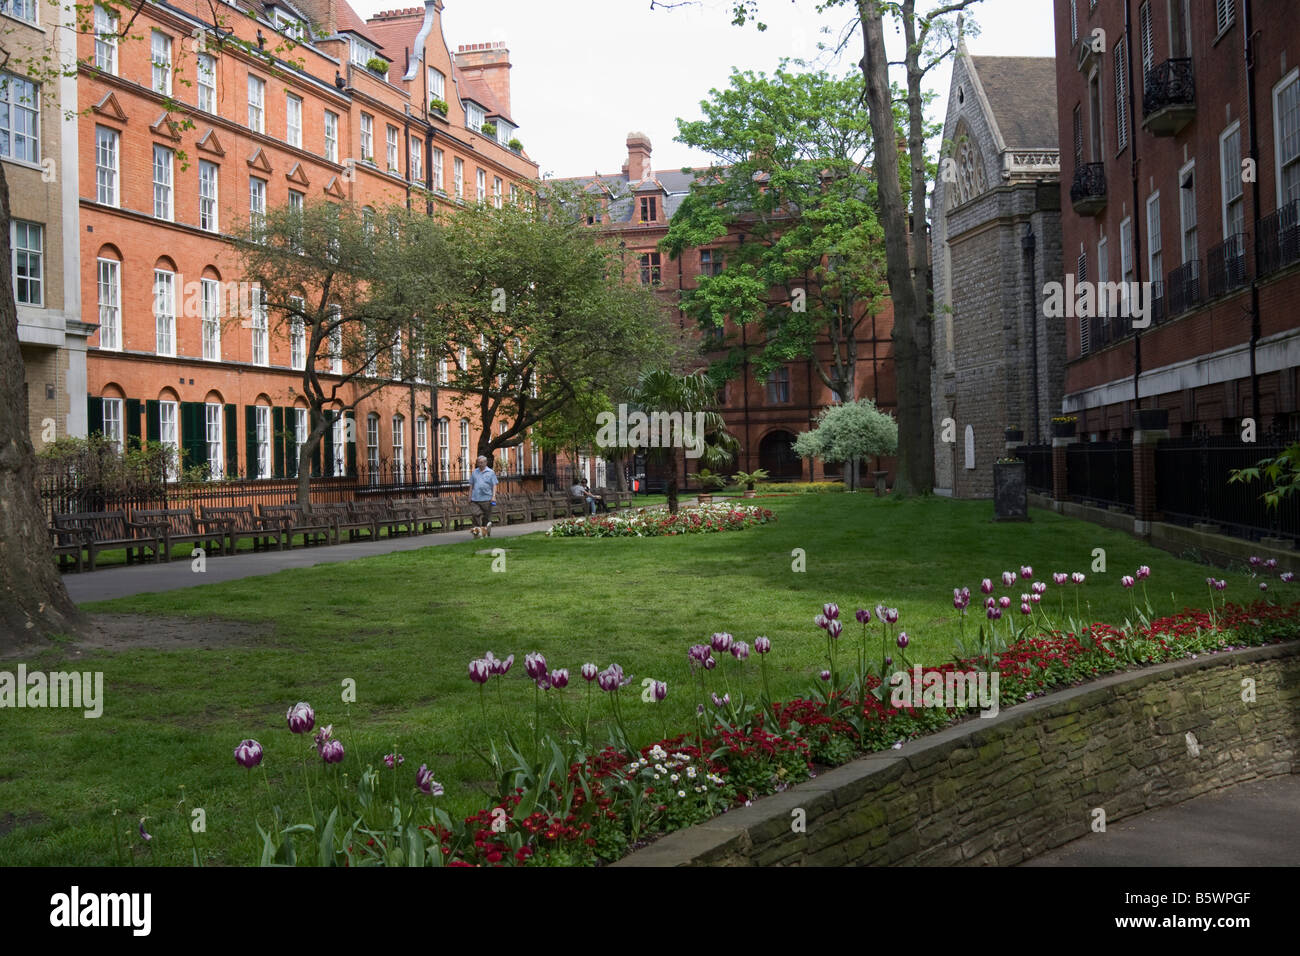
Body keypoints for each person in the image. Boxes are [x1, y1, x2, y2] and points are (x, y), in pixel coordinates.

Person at [470, 455, 499, 536]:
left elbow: (494, 485)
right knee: (475, 514)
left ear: (486, 463)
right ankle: (476, 533)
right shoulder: (474, 472)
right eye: (479, 462)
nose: (480, 464)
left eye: (482, 462)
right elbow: (471, 485)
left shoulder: (491, 472)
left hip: (487, 499)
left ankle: (485, 532)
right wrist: (470, 496)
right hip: (475, 499)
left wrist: (493, 496)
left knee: (486, 518)